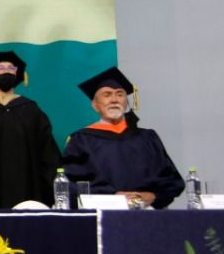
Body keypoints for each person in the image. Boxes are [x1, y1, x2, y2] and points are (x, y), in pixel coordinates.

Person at [62, 67, 184, 209]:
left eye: (120, 94)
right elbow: (71, 183)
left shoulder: (147, 137)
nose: (114, 99)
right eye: (107, 95)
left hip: (148, 212)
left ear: (126, 102)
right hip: (102, 212)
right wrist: (112, 196)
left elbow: (172, 180)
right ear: (95, 105)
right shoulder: (81, 140)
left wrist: (153, 195)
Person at [0, 51, 60, 208]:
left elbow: (47, 152)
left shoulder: (31, 109)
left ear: (17, 75)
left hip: (27, 186)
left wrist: (50, 189)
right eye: (0, 67)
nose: (6, 70)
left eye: (11, 68)